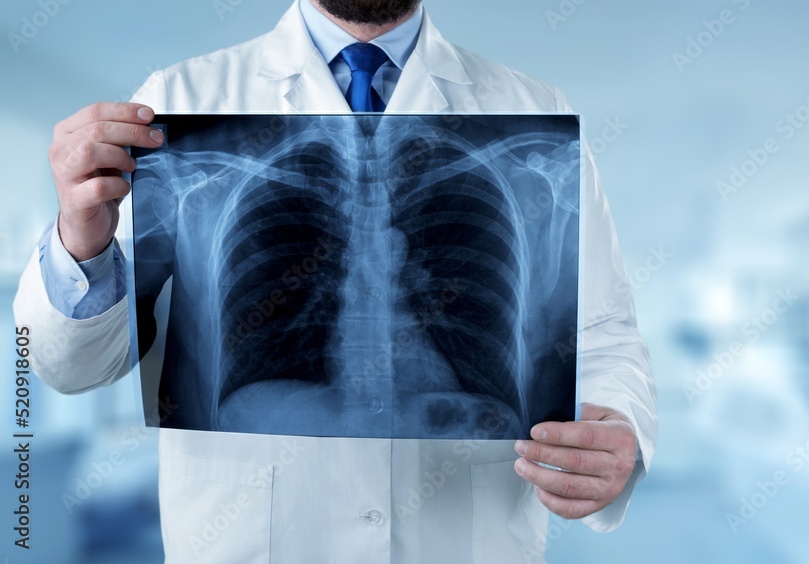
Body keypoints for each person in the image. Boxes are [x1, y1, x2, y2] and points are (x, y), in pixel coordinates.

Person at [14, 0, 657, 561]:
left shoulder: (532, 109)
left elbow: (601, 337)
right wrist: (81, 235)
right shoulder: (176, 104)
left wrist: (616, 436)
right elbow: (71, 368)